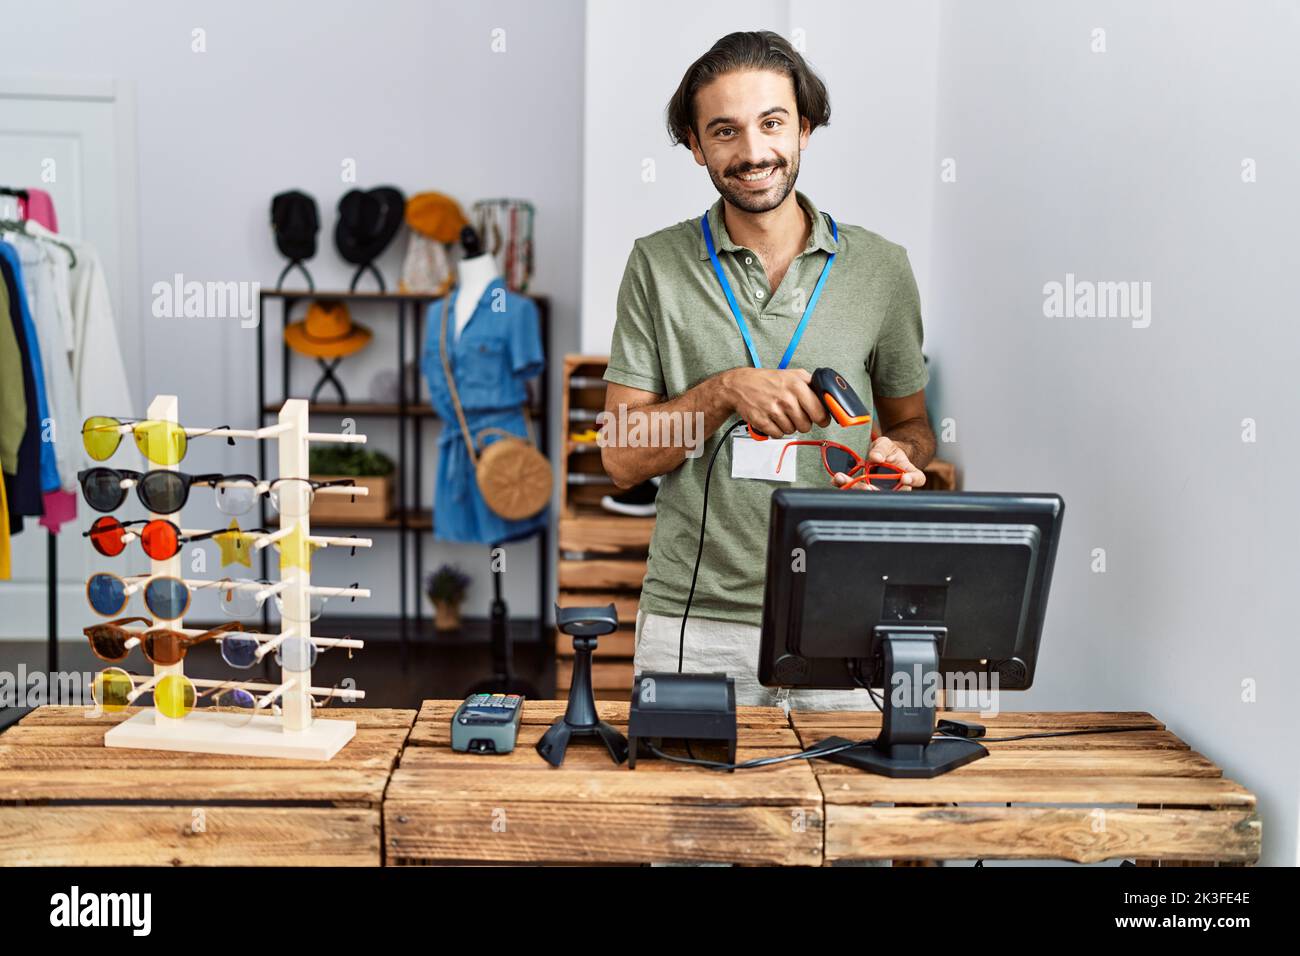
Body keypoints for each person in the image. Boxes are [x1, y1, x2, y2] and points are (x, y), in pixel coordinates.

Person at [602, 30, 936, 710]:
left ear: (804, 128)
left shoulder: (882, 269)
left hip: (849, 611)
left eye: (772, 123)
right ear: (696, 147)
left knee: (853, 813)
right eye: (724, 131)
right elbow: (621, 459)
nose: (753, 152)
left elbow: (915, 427)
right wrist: (725, 390)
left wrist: (904, 453)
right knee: (690, 816)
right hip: (694, 622)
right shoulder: (656, 265)